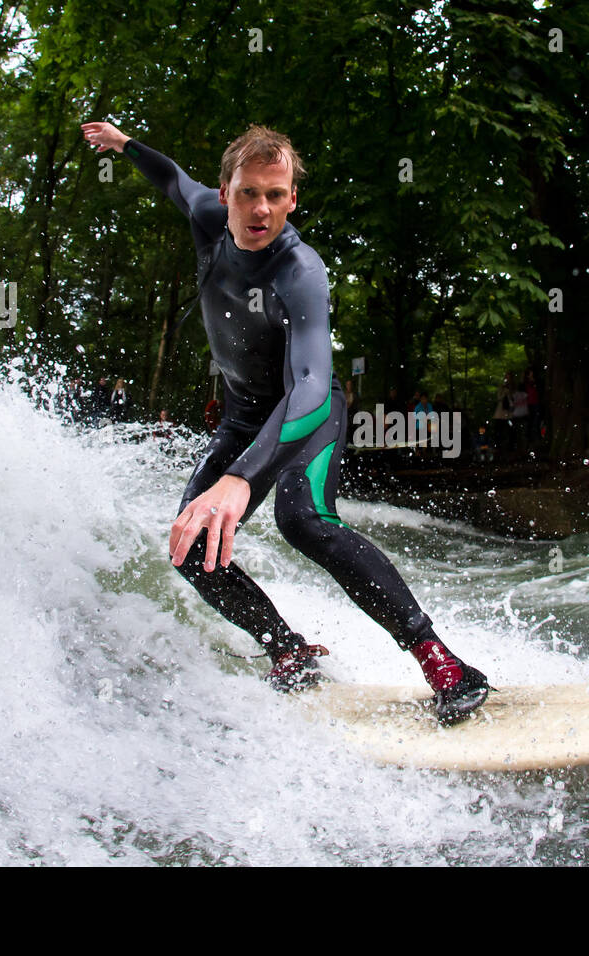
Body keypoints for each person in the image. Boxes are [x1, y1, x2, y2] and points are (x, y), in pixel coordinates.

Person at [82, 119, 488, 724]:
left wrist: (241, 478)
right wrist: (124, 145)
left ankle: (443, 661)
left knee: (303, 520)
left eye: (276, 194)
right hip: (244, 419)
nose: (261, 208)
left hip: (307, 414)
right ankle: (288, 650)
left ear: (292, 198)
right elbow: (171, 177)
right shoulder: (206, 217)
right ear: (225, 194)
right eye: (248, 192)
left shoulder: (300, 272)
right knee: (191, 546)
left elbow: (312, 385)